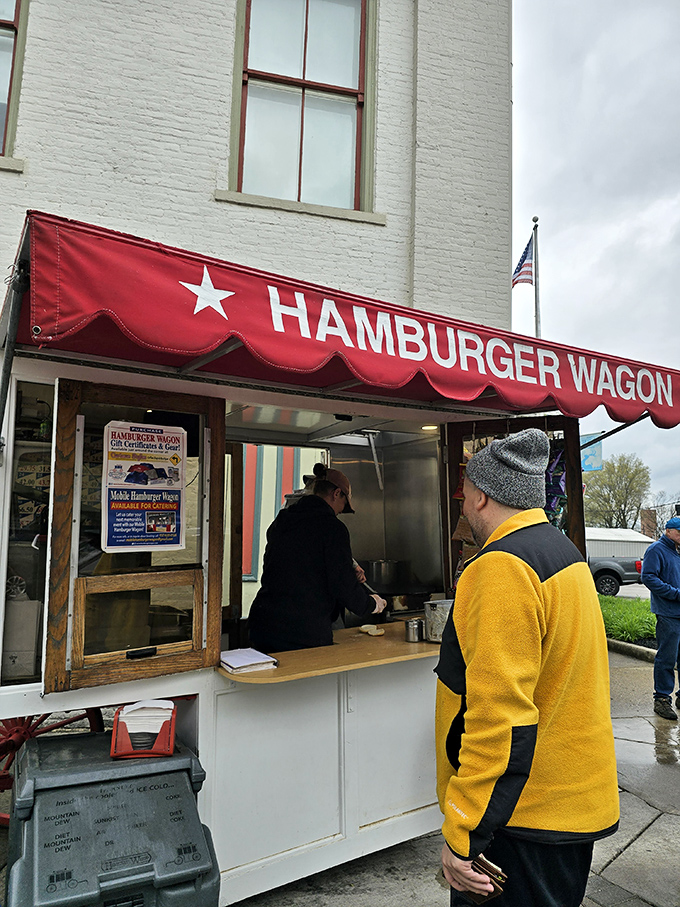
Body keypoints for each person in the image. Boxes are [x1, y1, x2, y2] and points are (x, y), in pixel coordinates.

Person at [435, 429, 619, 907]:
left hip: (523, 817)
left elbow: (499, 716)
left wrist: (465, 828)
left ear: (480, 497)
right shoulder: (563, 553)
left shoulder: (500, 566)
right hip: (570, 805)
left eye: (464, 494)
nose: (462, 505)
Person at [248, 463, 386, 653]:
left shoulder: (282, 520)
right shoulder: (332, 528)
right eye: (344, 503)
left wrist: (346, 567)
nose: (341, 510)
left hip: (264, 624)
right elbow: (341, 585)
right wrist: (371, 604)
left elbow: (294, 564)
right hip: (301, 632)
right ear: (337, 493)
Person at [640, 516, 680, 720]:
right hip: (668, 612)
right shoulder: (657, 550)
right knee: (667, 657)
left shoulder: (677, 551)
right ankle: (662, 699)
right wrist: (675, 593)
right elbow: (648, 577)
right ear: (669, 531)